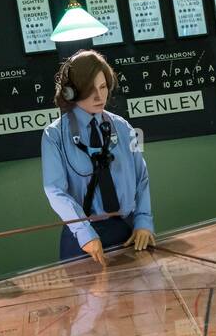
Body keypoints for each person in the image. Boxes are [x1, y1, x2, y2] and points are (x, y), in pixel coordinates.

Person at [42, 50, 154, 265]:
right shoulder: (53, 135)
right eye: (90, 89)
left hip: (128, 231)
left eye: (103, 87)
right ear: (71, 93)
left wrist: (143, 221)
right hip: (83, 237)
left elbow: (142, 177)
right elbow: (54, 190)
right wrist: (85, 234)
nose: (99, 96)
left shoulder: (124, 127)